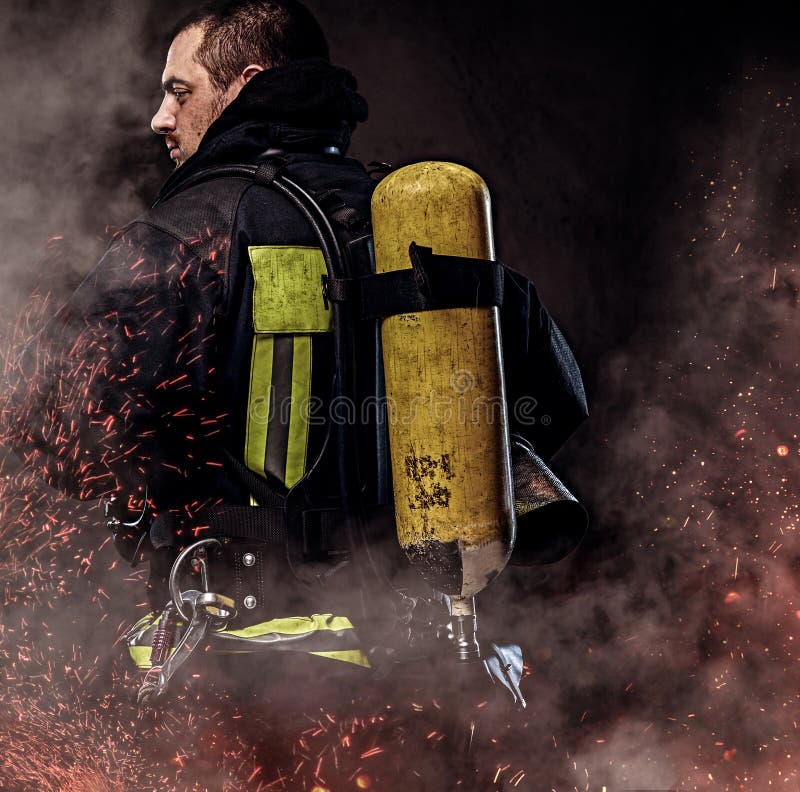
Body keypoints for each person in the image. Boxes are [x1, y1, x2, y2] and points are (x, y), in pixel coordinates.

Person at [2, 0, 588, 693]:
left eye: (179, 92)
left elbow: (48, 428)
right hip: (419, 652)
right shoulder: (417, 225)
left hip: (251, 671)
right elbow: (557, 403)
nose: (160, 118)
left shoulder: (185, 234)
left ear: (244, 84)